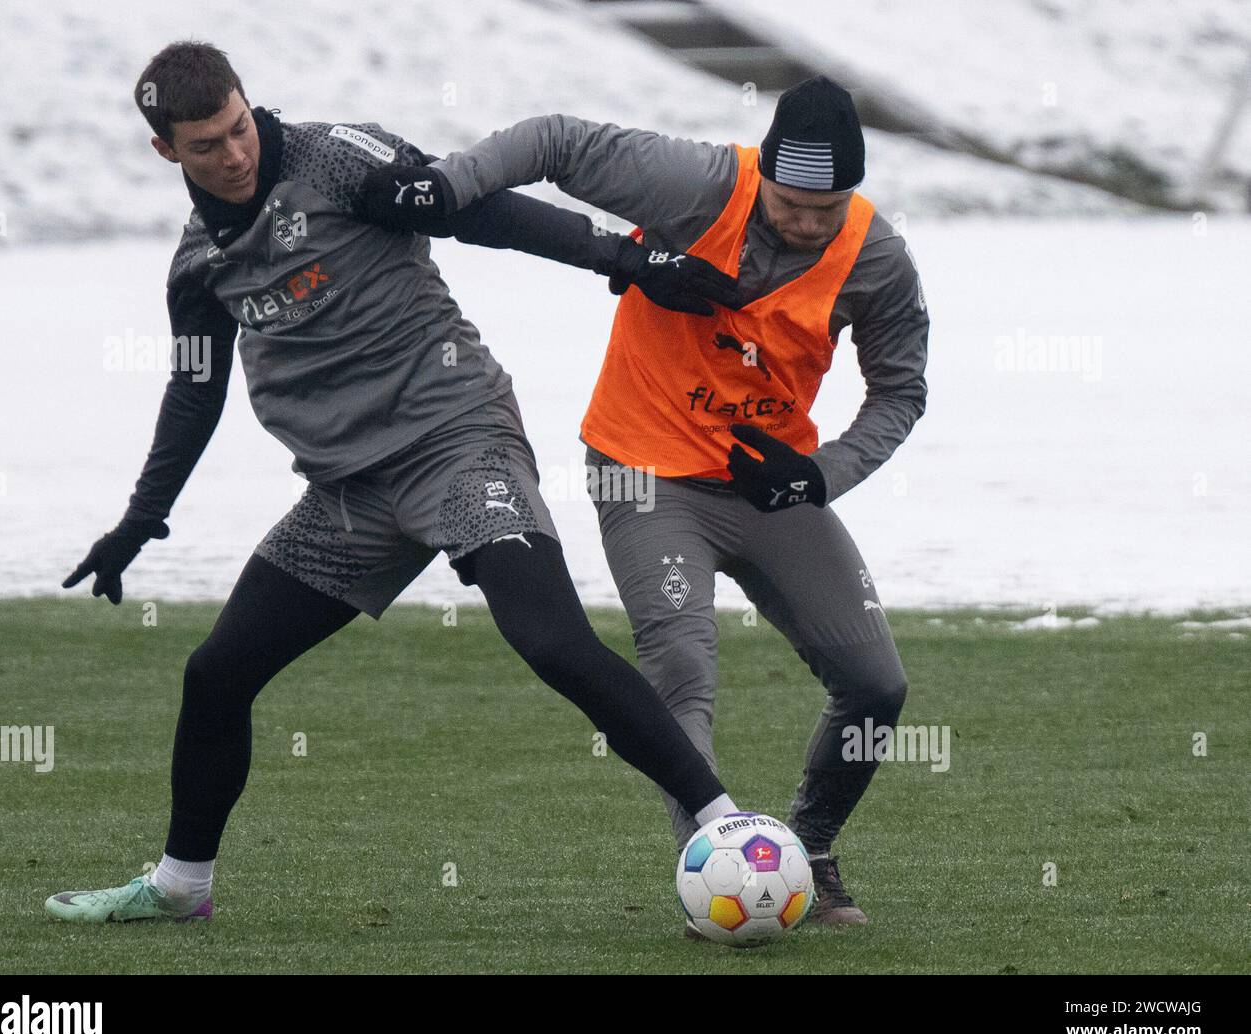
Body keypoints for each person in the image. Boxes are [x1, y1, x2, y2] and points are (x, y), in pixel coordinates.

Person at [47, 40, 747, 925]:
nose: (233, 154)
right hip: (348, 497)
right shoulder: (199, 265)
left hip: (458, 443)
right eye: (205, 146)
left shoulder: (335, 160)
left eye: (237, 128)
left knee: (552, 642)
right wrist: (139, 520)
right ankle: (182, 886)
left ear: (246, 102)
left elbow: (475, 211)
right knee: (216, 673)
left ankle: (725, 825)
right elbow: (195, 391)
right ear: (165, 152)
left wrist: (628, 261)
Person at [352, 76, 929, 926]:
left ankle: (813, 846)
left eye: (826, 207)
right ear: (762, 170)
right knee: (683, 671)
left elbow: (901, 393)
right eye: (790, 202)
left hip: (769, 486)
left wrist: (820, 475)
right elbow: (553, 138)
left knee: (878, 687)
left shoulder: (877, 259)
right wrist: (449, 183)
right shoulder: (696, 184)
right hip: (646, 474)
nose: (806, 223)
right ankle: (717, 867)